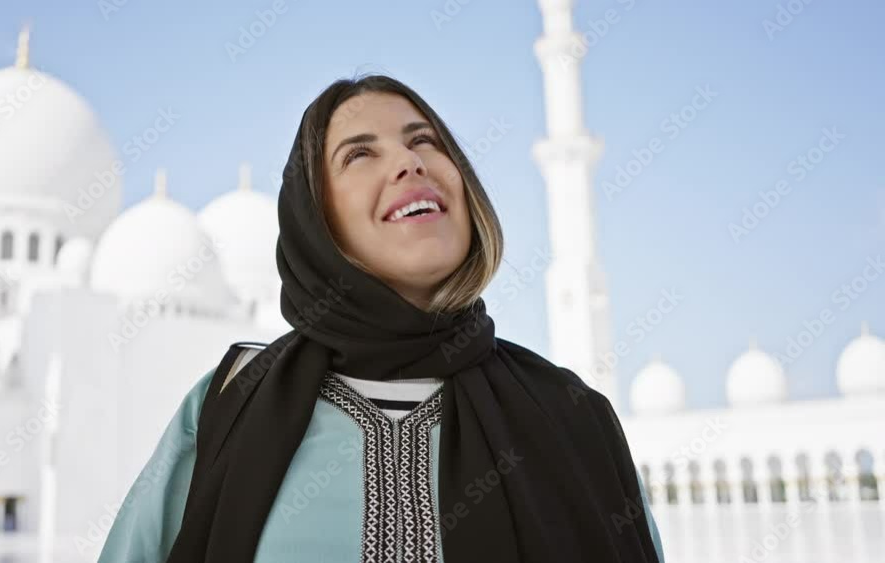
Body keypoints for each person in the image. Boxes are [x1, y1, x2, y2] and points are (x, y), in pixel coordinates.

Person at [97, 74, 665, 563]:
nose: (409, 162)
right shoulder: (227, 405)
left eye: (426, 142)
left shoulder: (571, 415)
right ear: (314, 219)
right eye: (359, 153)